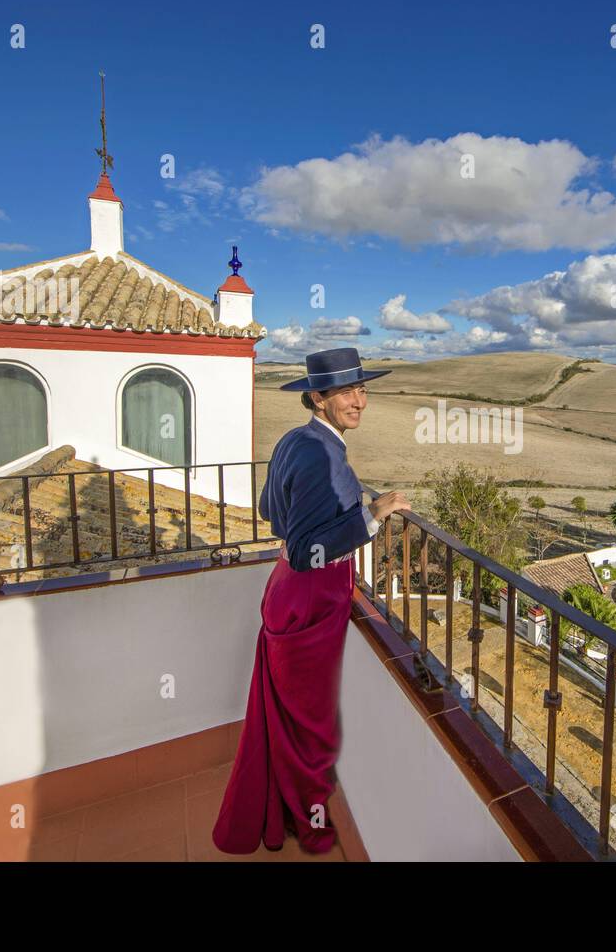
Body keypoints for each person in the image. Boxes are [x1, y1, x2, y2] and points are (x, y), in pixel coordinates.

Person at [212, 347, 410, 855]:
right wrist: (373, 514)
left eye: (362, 389)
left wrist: (341, 511)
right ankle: (310, 823)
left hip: (285, 594)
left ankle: (278, 811)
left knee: (285, 718)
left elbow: (269, 509)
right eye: (346, 392)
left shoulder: (294, 440)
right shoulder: (325, 456)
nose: (359, 401)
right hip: (310, 601)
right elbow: (305, 552)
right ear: (319, 398)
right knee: (309, 728)